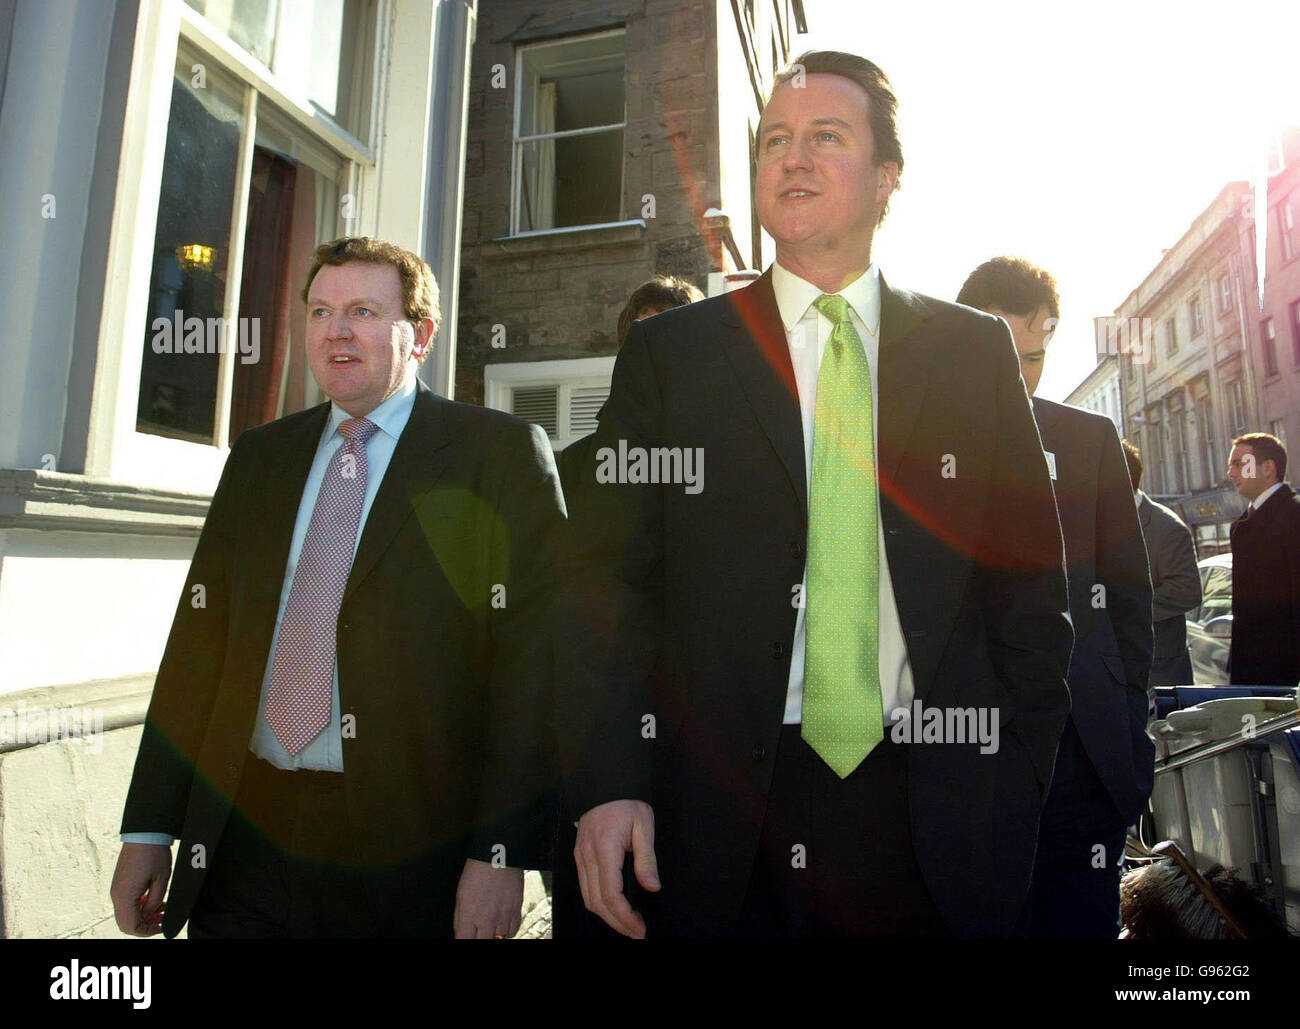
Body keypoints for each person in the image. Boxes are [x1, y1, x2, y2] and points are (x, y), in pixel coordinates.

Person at [556, 51, 1072, 939]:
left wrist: (1014, 781)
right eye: (774, 142)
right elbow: (607, 595)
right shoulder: (674, 357)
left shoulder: (972, 354)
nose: (791, 159)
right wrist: (609, 783)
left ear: (886, 179)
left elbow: (1028, 593)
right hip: (720, 821)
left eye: (825, 138)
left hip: (932, 812)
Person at [110, 237, 564, 938]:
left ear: (422, 335)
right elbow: (198, 649)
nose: (337, 330)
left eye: (362, 310)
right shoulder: (261, 457)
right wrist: (149, 824)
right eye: (321, 310)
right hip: (244, 831)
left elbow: (535, 672)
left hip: (411, 854)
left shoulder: (495, 455)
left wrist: (499, 851)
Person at [958, 256, 1153, 939]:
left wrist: (1132, 736)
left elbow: (1131, 605)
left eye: (1034, 358)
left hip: (1085, 770)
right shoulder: (910, 448)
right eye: (1002, 358)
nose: (1018, 378)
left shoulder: (1089, 441)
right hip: (968, 776)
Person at [552, 274, 702, 940]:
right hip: (594, 772)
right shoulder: (564, 472)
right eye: (643, 340)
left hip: (707, 781)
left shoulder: (743, 472)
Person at [555, 275, 703, 498]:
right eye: (641, 336)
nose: (652, 349)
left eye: (664, 333)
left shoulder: (728, 440)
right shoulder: (579, 462)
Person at [1120, 438, 1201, 686]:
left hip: (1157, 672)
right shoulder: (1098, 523)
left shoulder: (1166, 527)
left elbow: (1187, 591)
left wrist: (1124, 606)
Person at [1226, 432, 1300, 686]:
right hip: (1251, 670)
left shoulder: (1294, 516)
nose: (1231, 473)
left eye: (1239, 464)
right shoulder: (1242, 525)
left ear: (1268, 468)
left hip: (1286, 672)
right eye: (1230, 466)